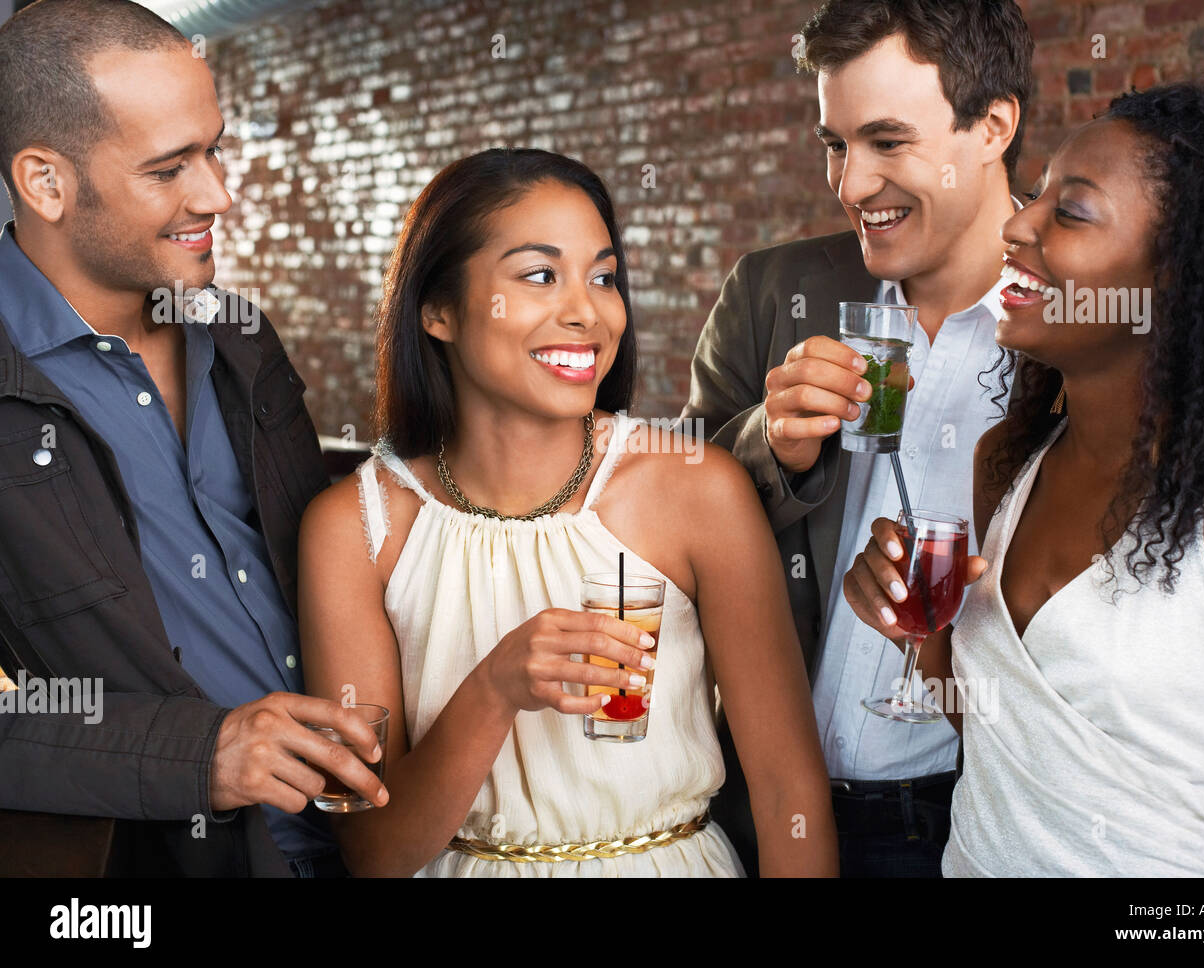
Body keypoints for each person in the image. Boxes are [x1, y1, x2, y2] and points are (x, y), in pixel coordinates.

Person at [297, 147, 838, 877]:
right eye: (540, 275)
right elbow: (376, 853)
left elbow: (787, 795)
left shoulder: (696, 490)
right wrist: (497, 687)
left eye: (604, 277)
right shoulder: (353, 528)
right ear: (438, 310)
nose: (587, 312)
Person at [847, 82, 1204, 876]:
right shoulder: (1006, 463)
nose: (1018, 223)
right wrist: (914, 629)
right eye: (1037, 194)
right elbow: (1008, 736)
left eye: (1072, 211)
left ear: (1181, 280)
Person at [0, 0, 384, 877]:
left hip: (364, 841)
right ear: (45, 182)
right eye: (169, 168)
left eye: (214, 149)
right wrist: (196, 751)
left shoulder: (241, 336)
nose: (217, 194)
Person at [681, 0, 1033, 875]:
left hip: (982, 810)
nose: (850, 186)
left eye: (887, 142)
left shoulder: (1079, 317)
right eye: (835, 145)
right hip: (761, 805)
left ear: (992, 127)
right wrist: (773, 448)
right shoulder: (771, 291)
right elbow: (663, 533)